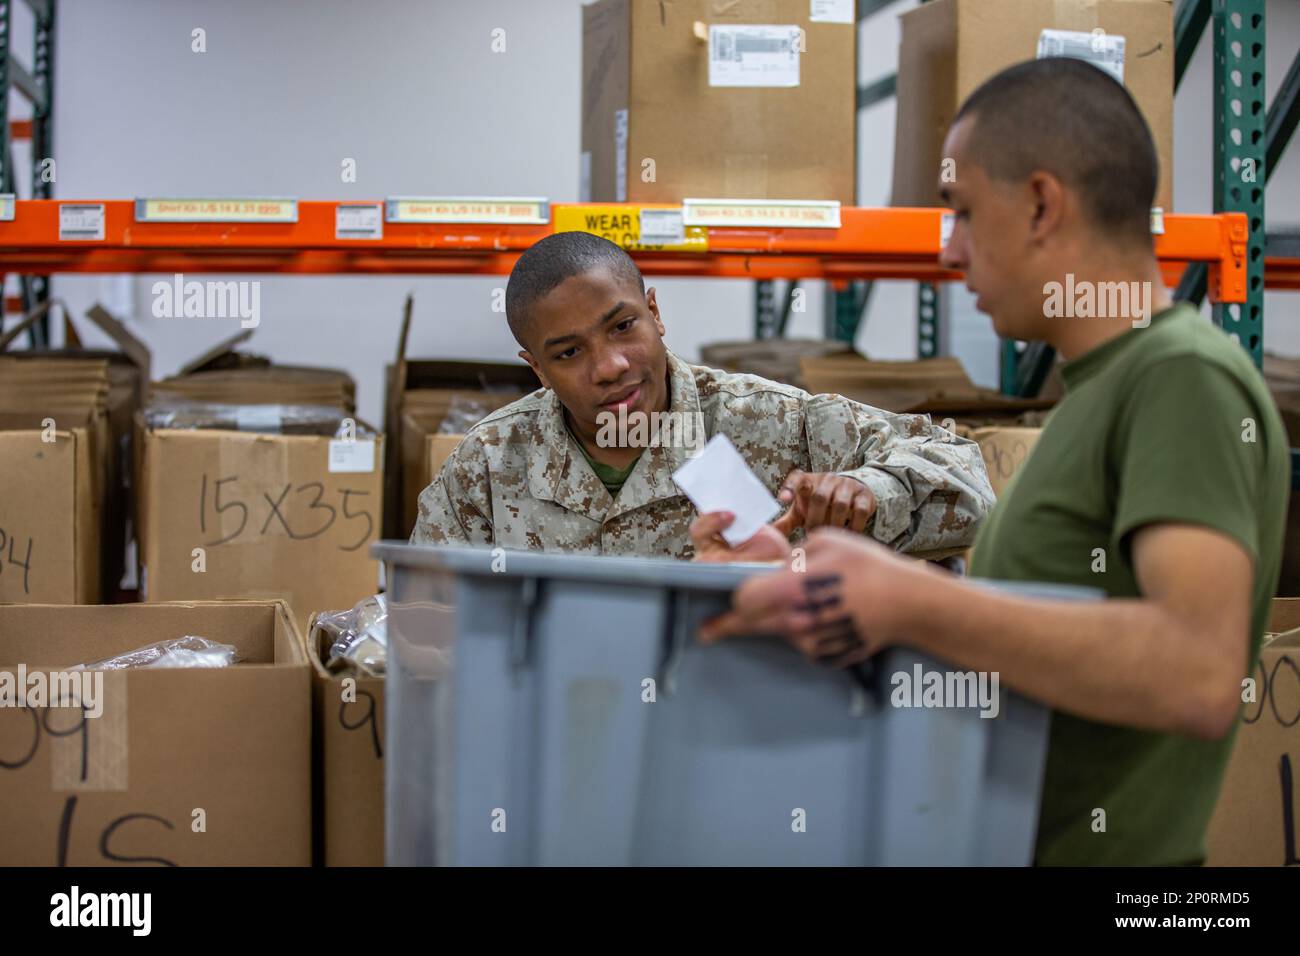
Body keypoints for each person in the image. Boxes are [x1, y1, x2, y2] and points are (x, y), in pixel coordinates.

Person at [699, 58, 1290, 866]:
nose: (950, 252)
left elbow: (1198, 672)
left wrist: (910, 600)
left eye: (965, 214)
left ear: (1043, 204)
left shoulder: (1181, 378)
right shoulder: (1100, 389)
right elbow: (1028, 649)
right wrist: (813, 581)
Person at [410, 231, 995, 559]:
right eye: (569, 353)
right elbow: (424, 624)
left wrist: (871, 491)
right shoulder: (488, 466)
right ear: (536, 369)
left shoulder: (769, 422)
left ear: (655, 313)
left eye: (622, 327)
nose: (611, 366)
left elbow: (969, 486)